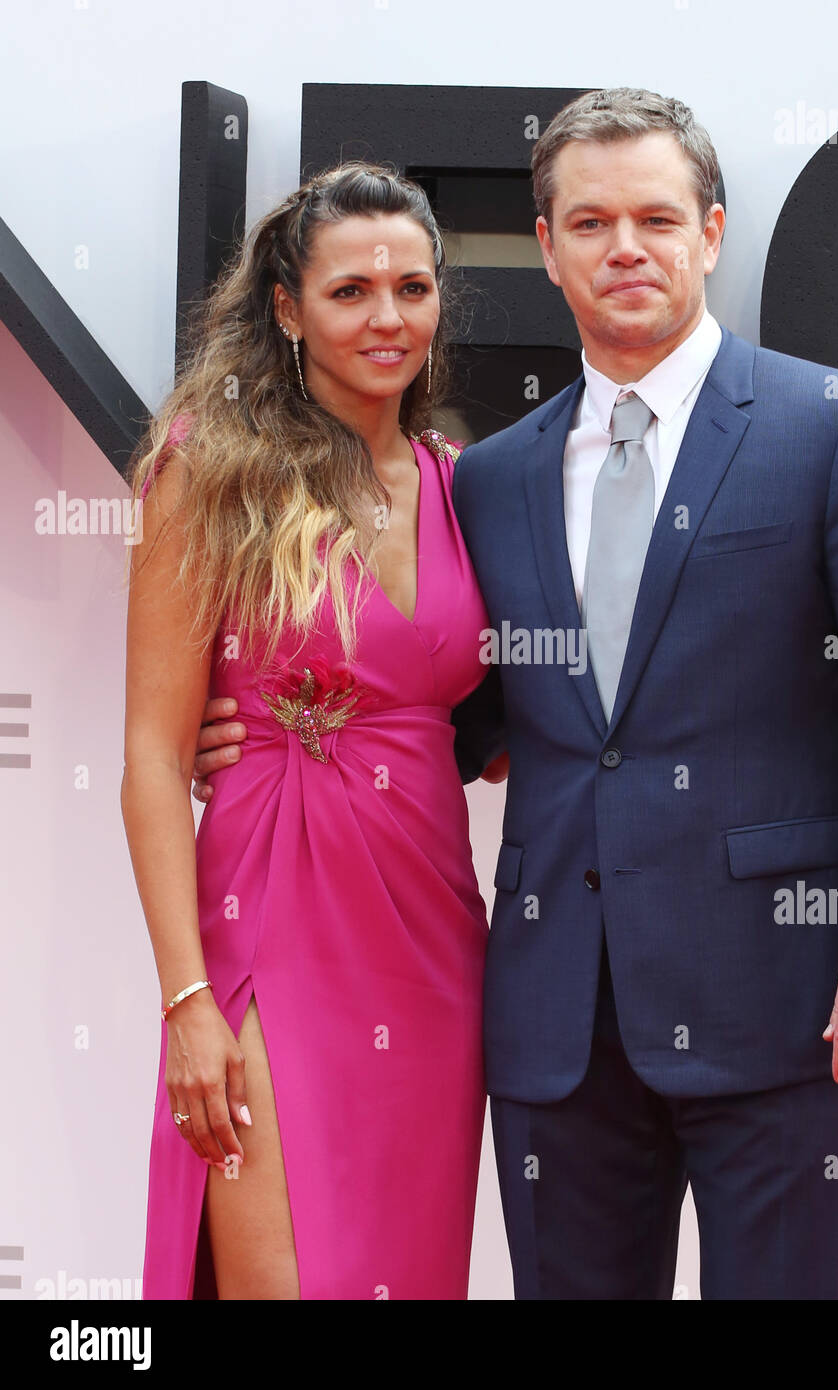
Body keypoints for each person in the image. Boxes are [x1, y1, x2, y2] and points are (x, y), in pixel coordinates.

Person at [194, 89, 838, 1300]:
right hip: (554, 1022)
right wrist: (274, 733)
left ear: (710, 234)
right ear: (548, 248)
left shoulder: (835, 430)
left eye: (658, 218)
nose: (627, 247)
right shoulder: (492, 476)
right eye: (591, 221)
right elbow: (465, 706)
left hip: (777, 1005)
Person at [122, 161, 503, 1300]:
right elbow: (149, 754)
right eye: (350, 291)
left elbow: (488, 716)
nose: (388, 317)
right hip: (271, 920)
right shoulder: (208, 470)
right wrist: (187, 1001)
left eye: (413, 287)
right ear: (287, 309)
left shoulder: (457, 482)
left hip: (434, 938)